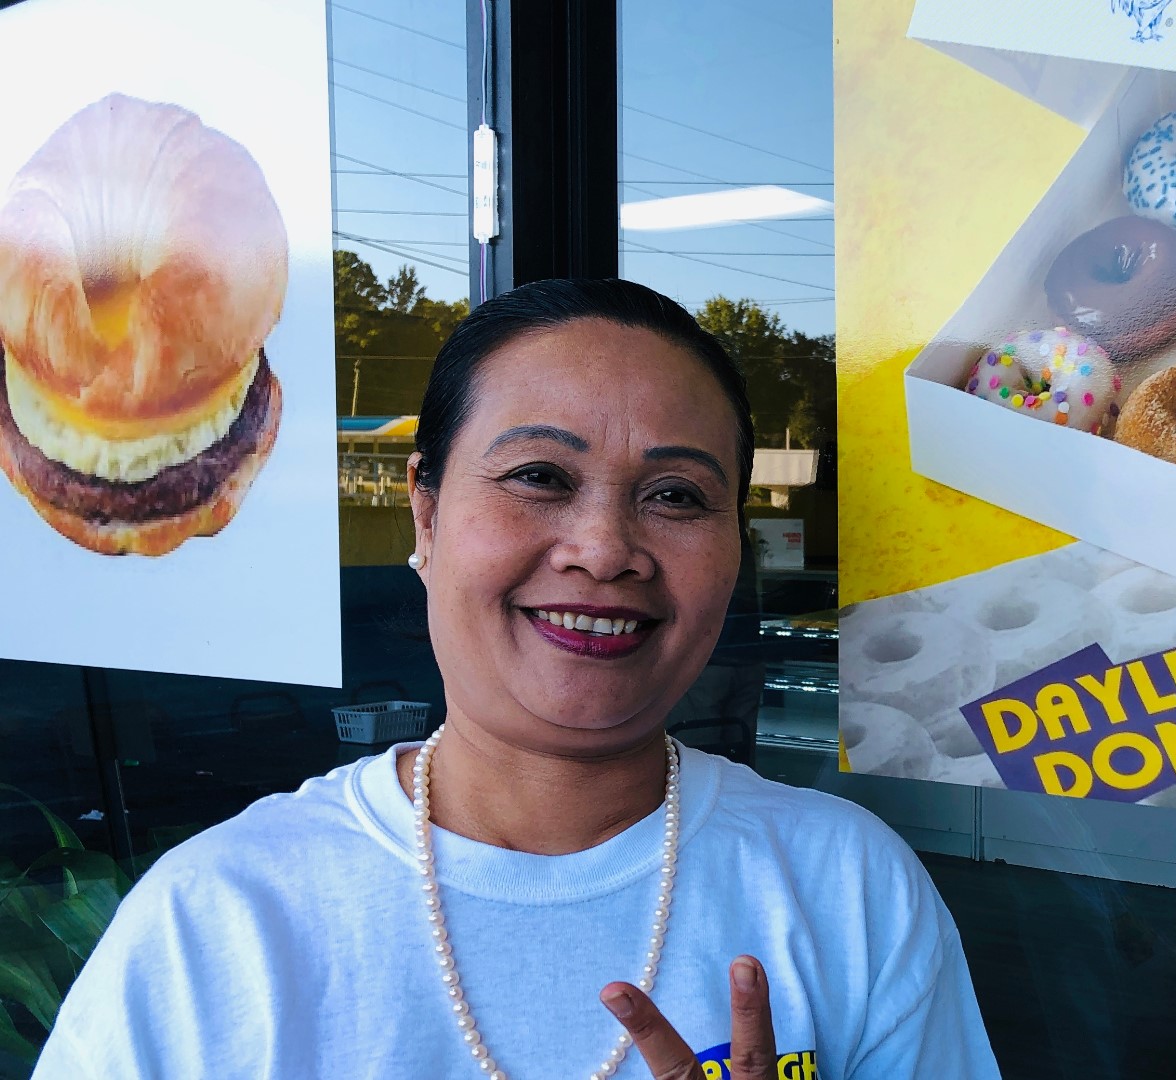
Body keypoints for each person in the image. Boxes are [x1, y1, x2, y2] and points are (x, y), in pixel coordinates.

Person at [35, 279, 1001, 1079]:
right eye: (539, 476)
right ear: (425, 512)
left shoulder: (846, 888)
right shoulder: (224, 919)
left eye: (676, 496)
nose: (604, 550)